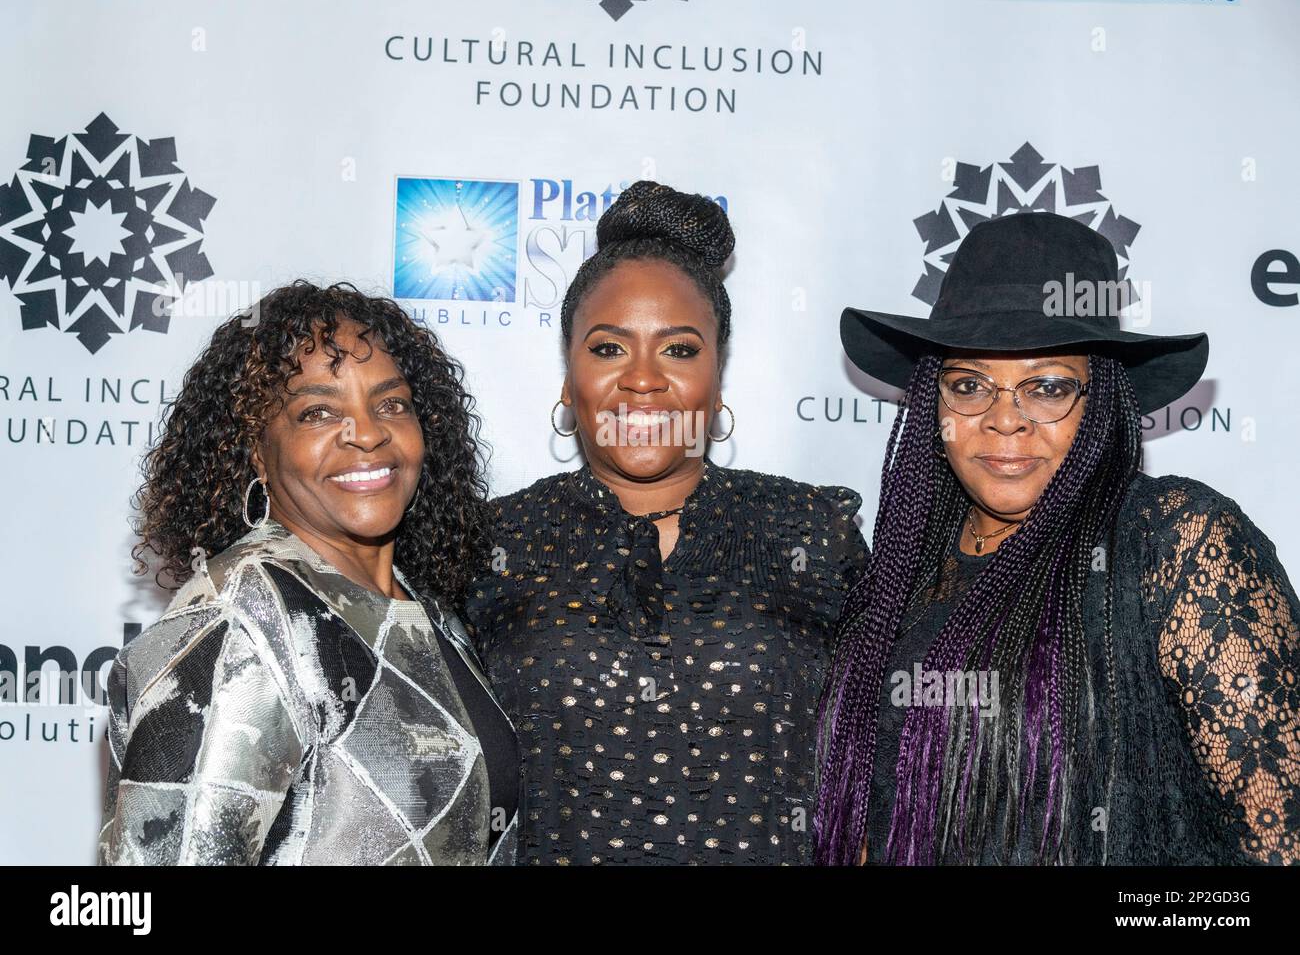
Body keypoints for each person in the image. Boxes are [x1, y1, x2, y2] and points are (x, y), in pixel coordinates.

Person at [817, 211, 1300, 866]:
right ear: (933, 403)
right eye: (968, 385)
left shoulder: (1172, 543)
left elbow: (1280, 843)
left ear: (1100, 399)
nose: (1005, 421)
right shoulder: (899, 574)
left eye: (1046, 387)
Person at [463, 181, 869, 864]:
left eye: (679, 350)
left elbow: (877, 770)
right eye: (608, 349)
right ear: (568, 381)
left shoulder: (812, 531)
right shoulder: (492, 542)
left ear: (718, 378)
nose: (644, 379)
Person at [99, 281, 519, 865]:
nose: (368, 433)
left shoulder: (429, 609)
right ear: (254, 450)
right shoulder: (241, 617)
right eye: (318, 412)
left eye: (391, 403)